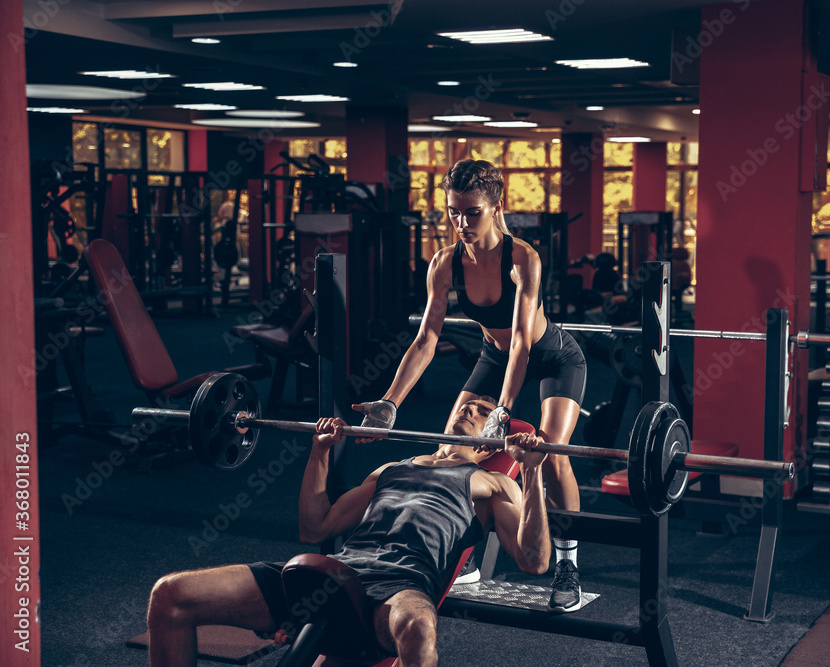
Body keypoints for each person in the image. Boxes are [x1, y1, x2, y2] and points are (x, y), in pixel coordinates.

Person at [146, 397, 550, 667]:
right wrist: (320, 450)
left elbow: (533, 561)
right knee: (170, 595)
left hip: (398, 588)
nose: (469, 408)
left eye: (481, 411)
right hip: (336, 573)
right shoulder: (391, 469)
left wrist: (531, 471)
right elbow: (315, 527)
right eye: (465, 404)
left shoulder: (493, 484)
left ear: (489, 444)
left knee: (419, 629)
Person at [352, 158, 588, 612]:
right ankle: (467, 554)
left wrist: (503, 410)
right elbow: (426, 339)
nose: (461, 223)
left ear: (497, 207)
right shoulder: (445, 263)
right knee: (451, 447)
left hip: (553, 357)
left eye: (472, 212)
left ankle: (567, 564)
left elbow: (521, 342)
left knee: (551, 454)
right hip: (495, 356)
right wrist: (390, 402)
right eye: (453, 212)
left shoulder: (522, 259)